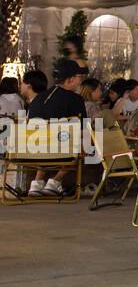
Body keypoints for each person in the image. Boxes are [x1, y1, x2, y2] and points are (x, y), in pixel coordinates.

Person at [24, 61, 88, 196]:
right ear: (70, 79)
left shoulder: (38, 98)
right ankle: (55, 181)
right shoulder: (75, 99)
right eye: (79, 78)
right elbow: (82, 130)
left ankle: (37, 182)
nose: (80, 81)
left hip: (31, 150)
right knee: (85, 144)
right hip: (59, 151)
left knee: (47, 140)